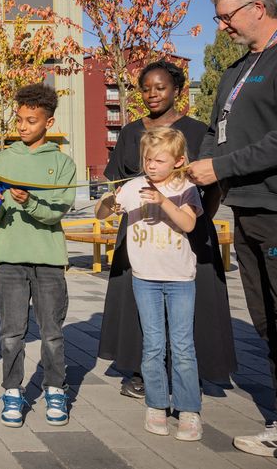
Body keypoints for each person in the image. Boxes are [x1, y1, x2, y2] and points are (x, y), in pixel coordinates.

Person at [187, 0, 277, 469]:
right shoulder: (238, 69)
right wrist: (197, 179)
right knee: (267, 324)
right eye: (219, 17)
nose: (221, 25)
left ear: (259, 8)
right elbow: (216, 134)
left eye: (227, 15)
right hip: (247, 209)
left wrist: (220, 167)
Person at [98, 60, 236, 398]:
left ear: (177, 90)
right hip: (140, 231)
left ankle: (189, 372)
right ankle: (140, 373)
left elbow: (215, 183)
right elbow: (114, 183)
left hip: (186, 229)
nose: (152, 94)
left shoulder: (199, 131)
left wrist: (199, 219)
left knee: (190, 303)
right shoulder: (131, 132)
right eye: (145, 88)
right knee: (139, 302)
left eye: (160, 87)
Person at [0, 83, 77, 427]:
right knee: (10, 333)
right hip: (10, 261)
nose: (22, 126)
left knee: (51, 333)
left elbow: (55, 213)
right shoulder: (3, 159)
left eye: (31, 121)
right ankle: (12, 391)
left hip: (49, 262)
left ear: (48, 123)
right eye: (19, 119)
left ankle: (54, 389)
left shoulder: (63, 164)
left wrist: (29, 201)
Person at [97, 127, 204, 441]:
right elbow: (102, 213)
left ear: (178, 160)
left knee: (183, 346)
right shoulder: (133, 187)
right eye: (148, 159)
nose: (152, 165)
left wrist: (162, 201)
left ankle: (188, 409)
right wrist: (108, 205)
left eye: (159, 159)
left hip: (181, 279)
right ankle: (156, 404)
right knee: (153, 344)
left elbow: (188, 223)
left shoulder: (185, 188)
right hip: (145, 278)